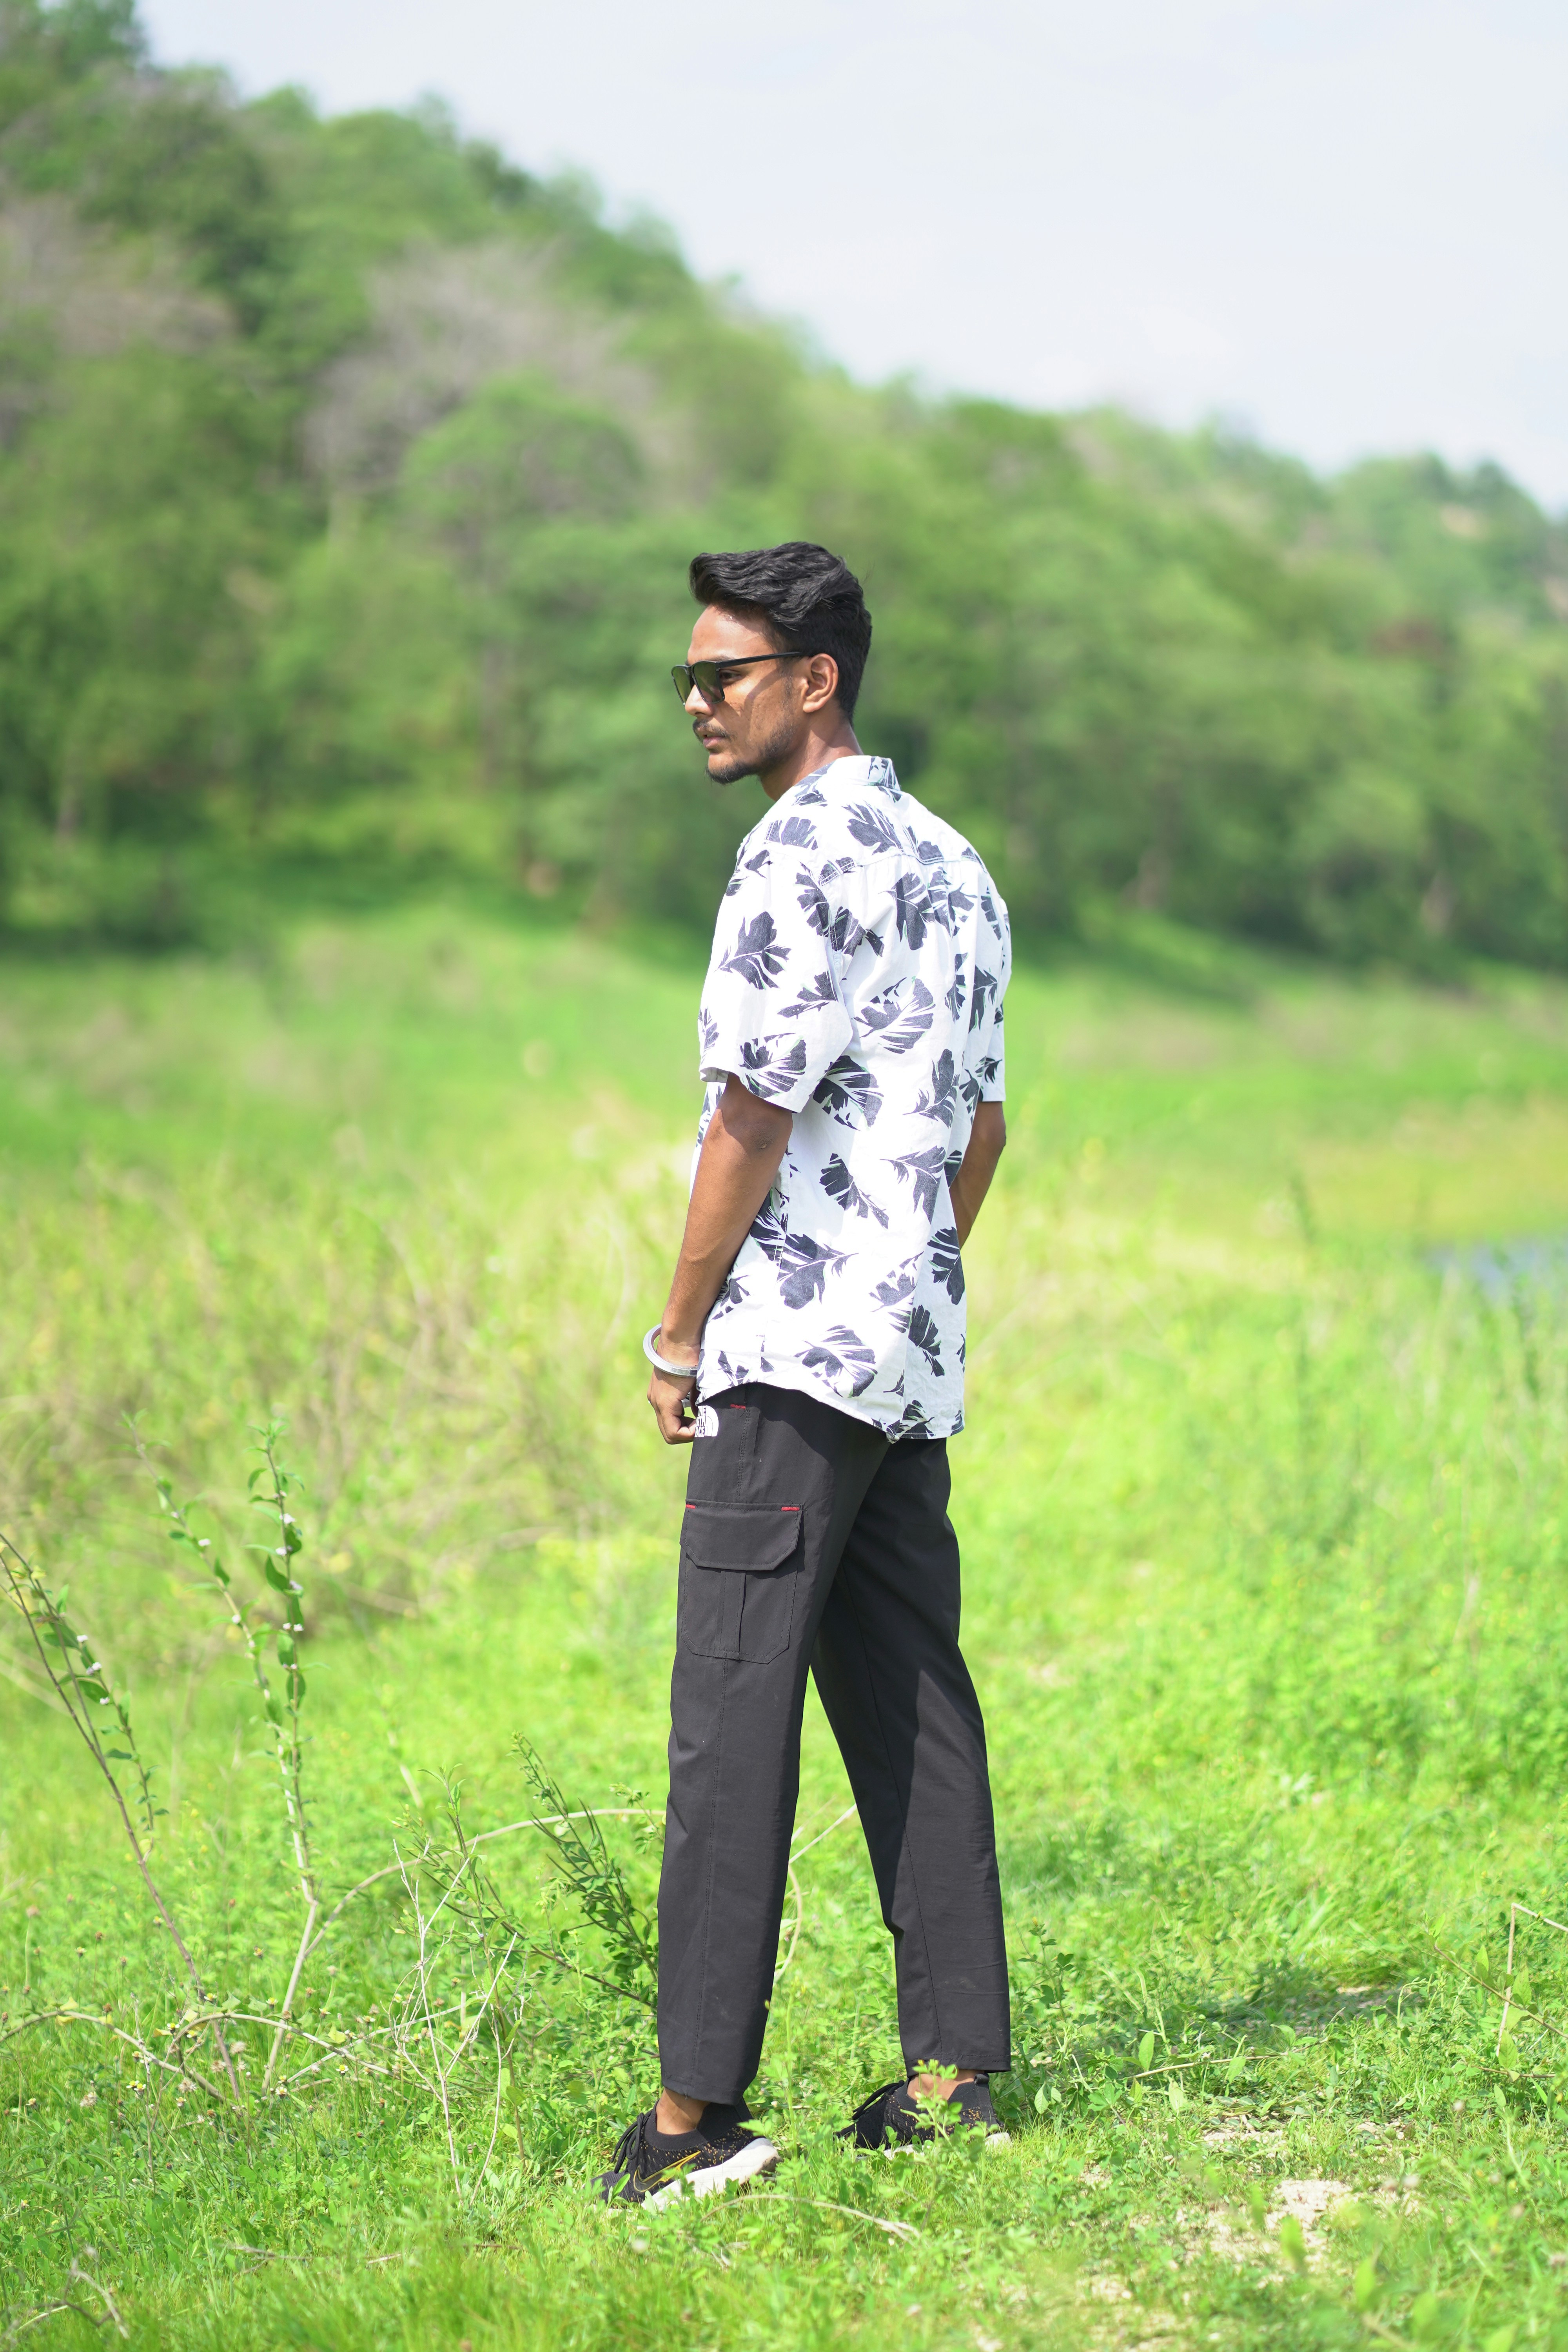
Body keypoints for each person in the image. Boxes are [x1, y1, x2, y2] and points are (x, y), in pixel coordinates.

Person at [598, 542, 1013, 2207]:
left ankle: (690, 2127)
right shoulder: (956, 860)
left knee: (730, 1723)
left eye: (725, 674)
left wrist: (679, 1330)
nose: (697, 701)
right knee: (916, 1701)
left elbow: (748, 1119)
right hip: (903, 1356)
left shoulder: (793, 856)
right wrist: (917, 1270)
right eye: (690, 678)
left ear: (814, 679)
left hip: (783, 1366)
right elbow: (980, 1126)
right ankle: (953, 2080)